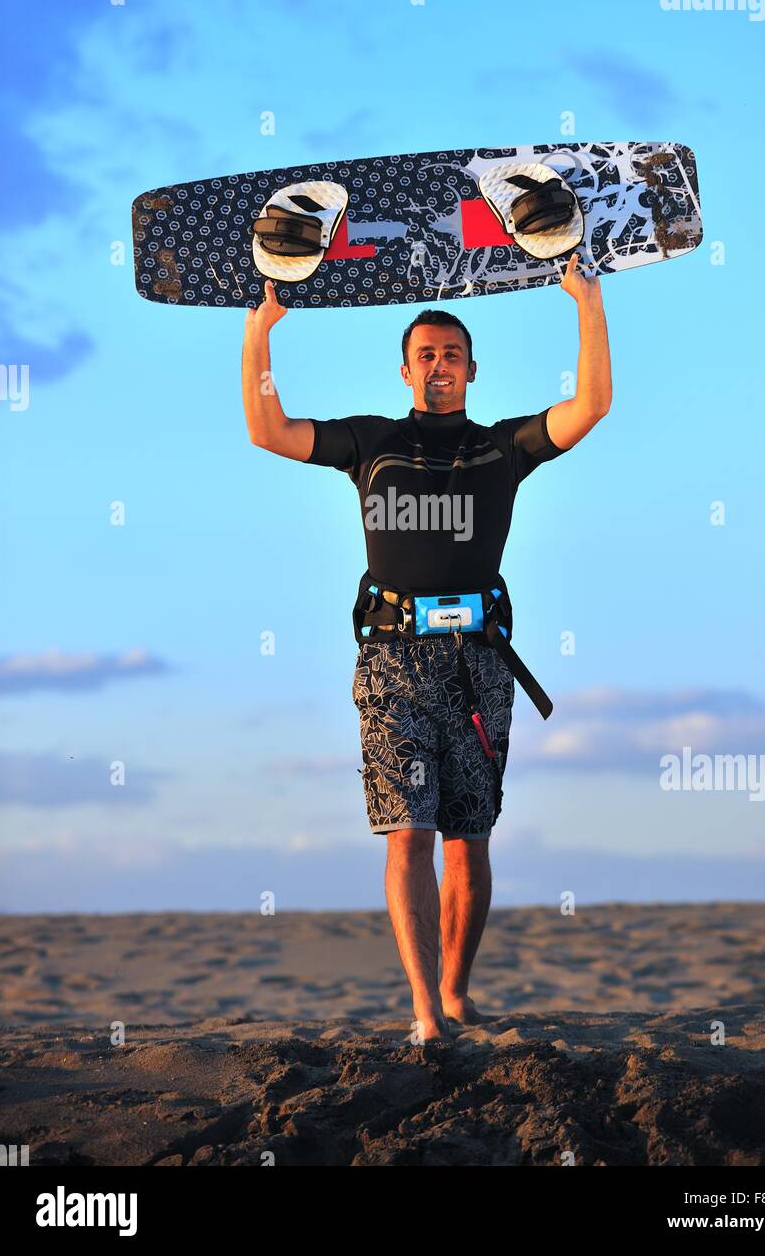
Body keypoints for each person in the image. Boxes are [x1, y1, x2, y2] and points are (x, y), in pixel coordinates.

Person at [241, 253, 611, 1041]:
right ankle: (422, 1013)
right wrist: (259, 333)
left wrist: (585, 300)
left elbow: (591, 405)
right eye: (425, 356)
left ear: (472, 369)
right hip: (393, 663)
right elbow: (267, 430)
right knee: (407, 831)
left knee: (469, 839)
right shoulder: (369, 443)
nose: (438, 366)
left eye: (451, 355)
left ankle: (453, 992)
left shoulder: (502, 448)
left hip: (479, 663)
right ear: (405, 370)